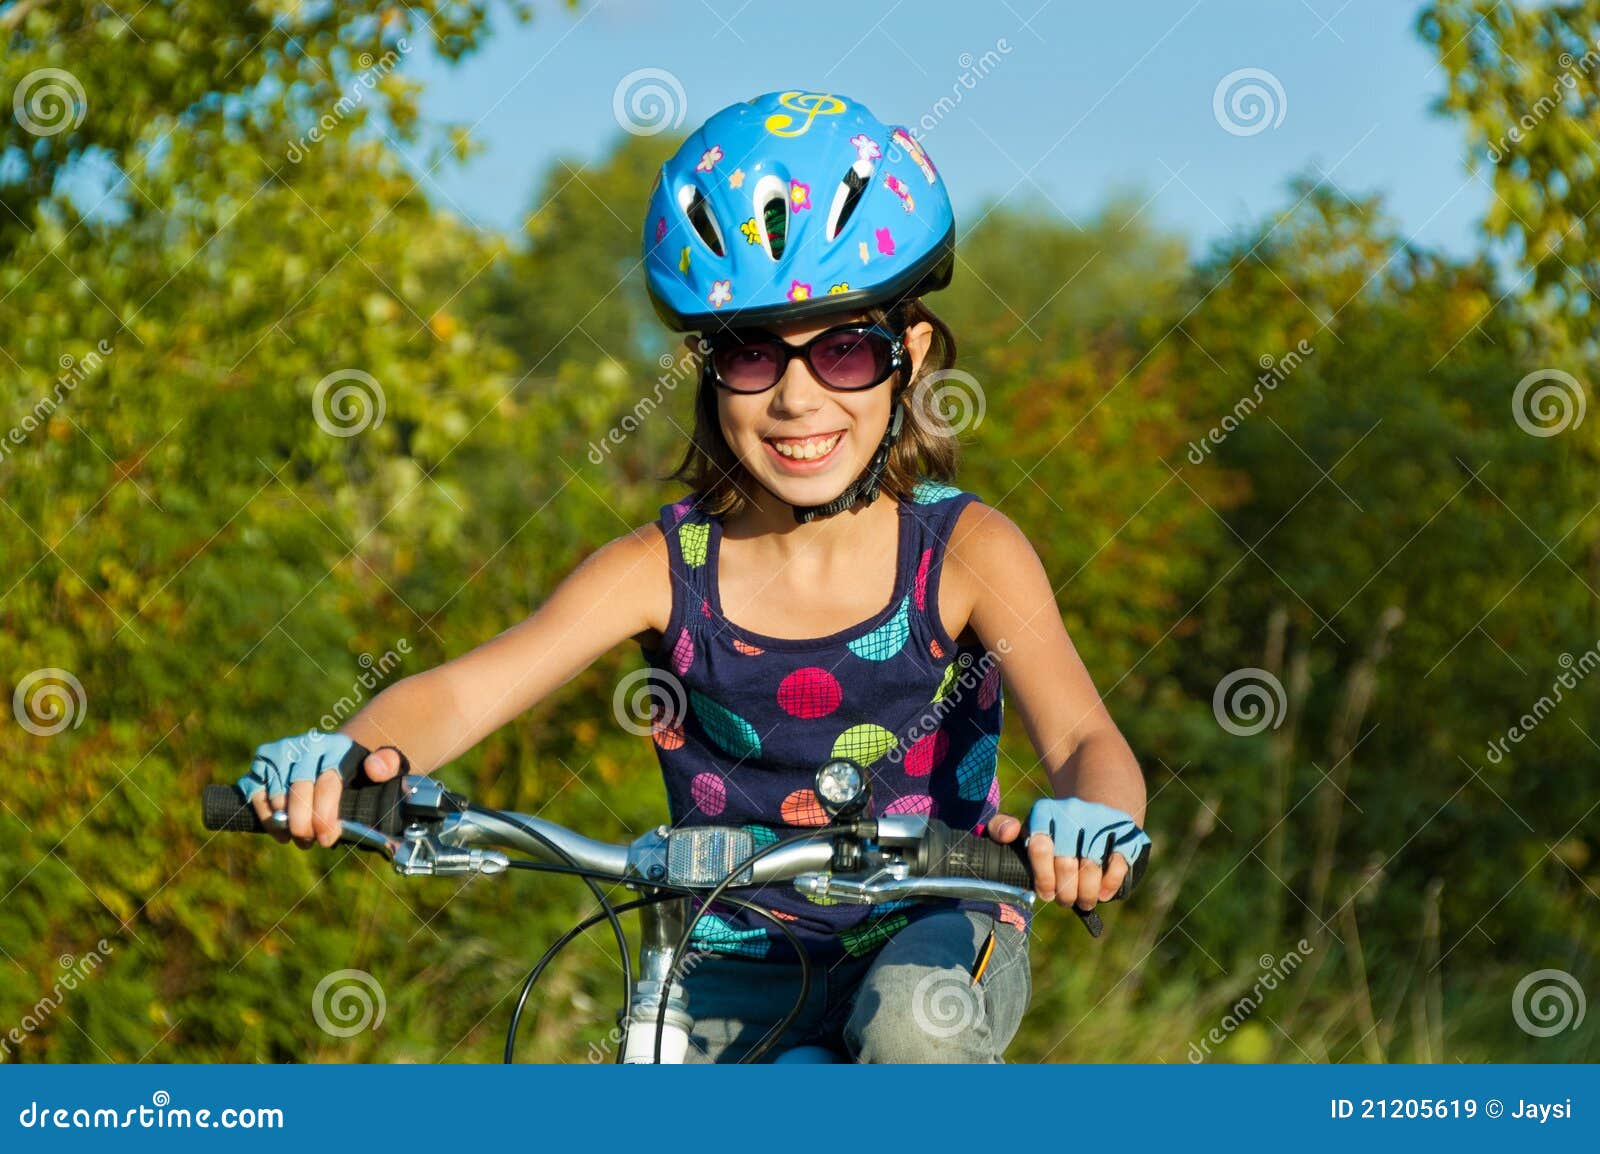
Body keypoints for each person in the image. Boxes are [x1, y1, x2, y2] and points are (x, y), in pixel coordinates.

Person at [238, 90, 1151, 1064]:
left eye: (844, 349)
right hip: (720, 951)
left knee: (909, 1031)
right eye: (752, 355)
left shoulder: (964, 553)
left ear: (909, 354)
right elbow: (463, 692)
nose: (797, 397)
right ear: (707, 370)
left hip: (924, 929)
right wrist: (344, 757)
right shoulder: (659, 570)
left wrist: (1090, 821)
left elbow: (1088, 736)